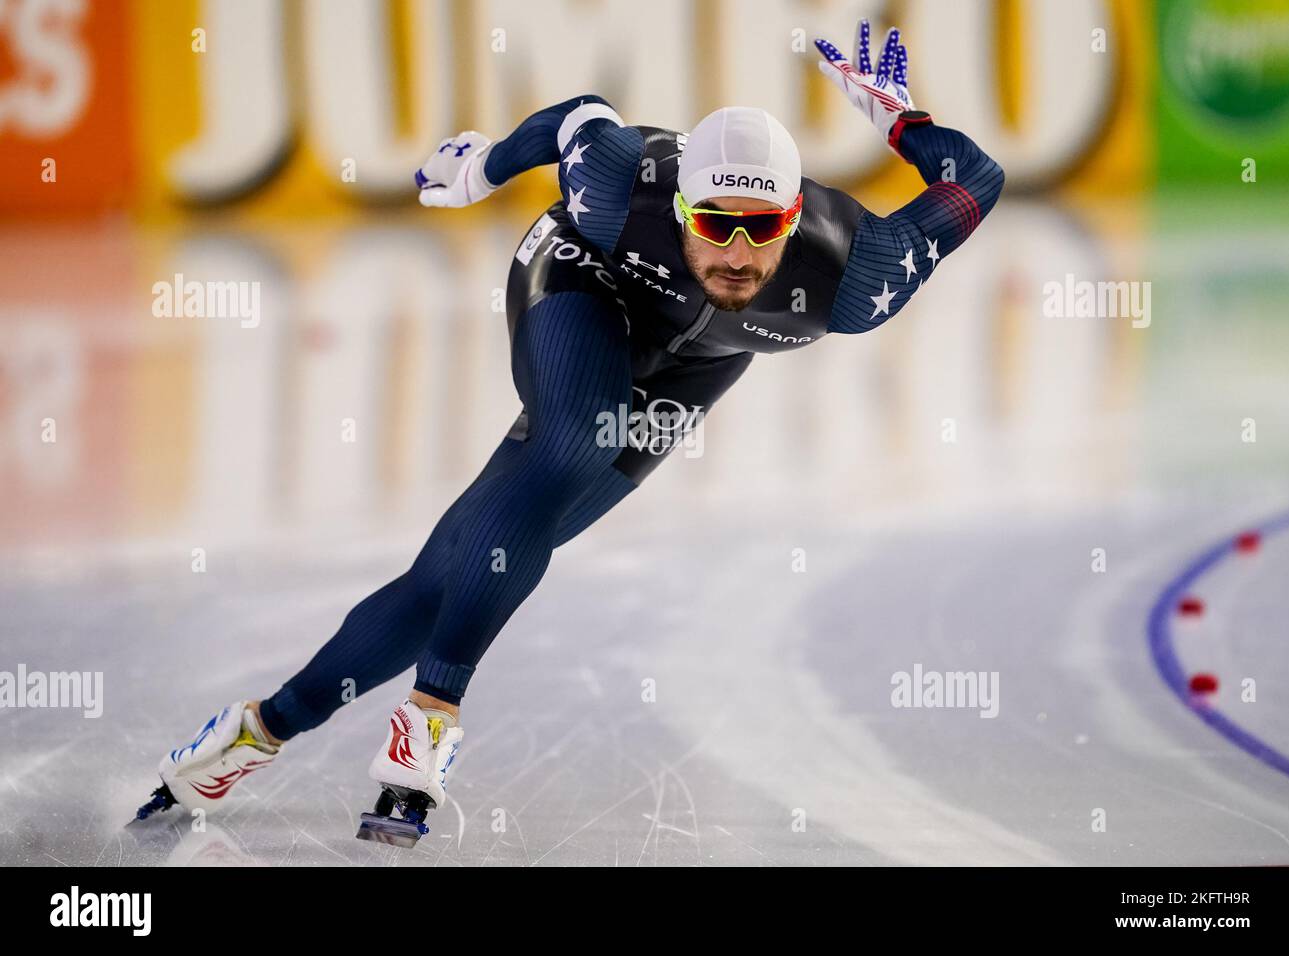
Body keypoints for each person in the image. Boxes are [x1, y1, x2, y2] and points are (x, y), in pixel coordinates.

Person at [138, 19, 1004, 836]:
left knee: (463, 566)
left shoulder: (858, 275)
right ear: (680, 211)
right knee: (578, 440)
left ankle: (256, 731)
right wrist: (484, 167)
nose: (736, 255)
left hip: (700, 364)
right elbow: (576, 119)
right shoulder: (619, 189)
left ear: (791, 219)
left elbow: (976, 179)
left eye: (762, 230)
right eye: (714, 226)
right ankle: (431, 717)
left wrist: (904, 123)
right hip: (582, 284)